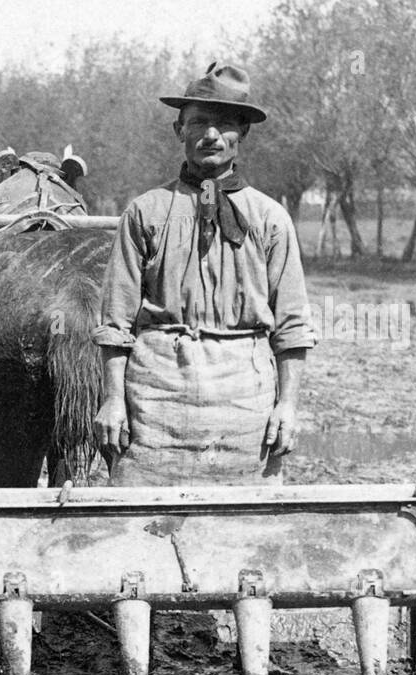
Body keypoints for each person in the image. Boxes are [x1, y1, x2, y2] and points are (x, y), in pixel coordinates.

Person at [92, 63, 316, 486]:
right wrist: (112, 400)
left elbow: (292, 327)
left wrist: (287, 405)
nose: (210, 135)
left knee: (239, 532)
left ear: (243, 133)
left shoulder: (270, 218)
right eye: (198, 122)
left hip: (243, 400)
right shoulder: (145, 211)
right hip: (156, 398)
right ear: (179, 130)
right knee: (141, 528)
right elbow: (115, 322)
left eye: (224, 123)